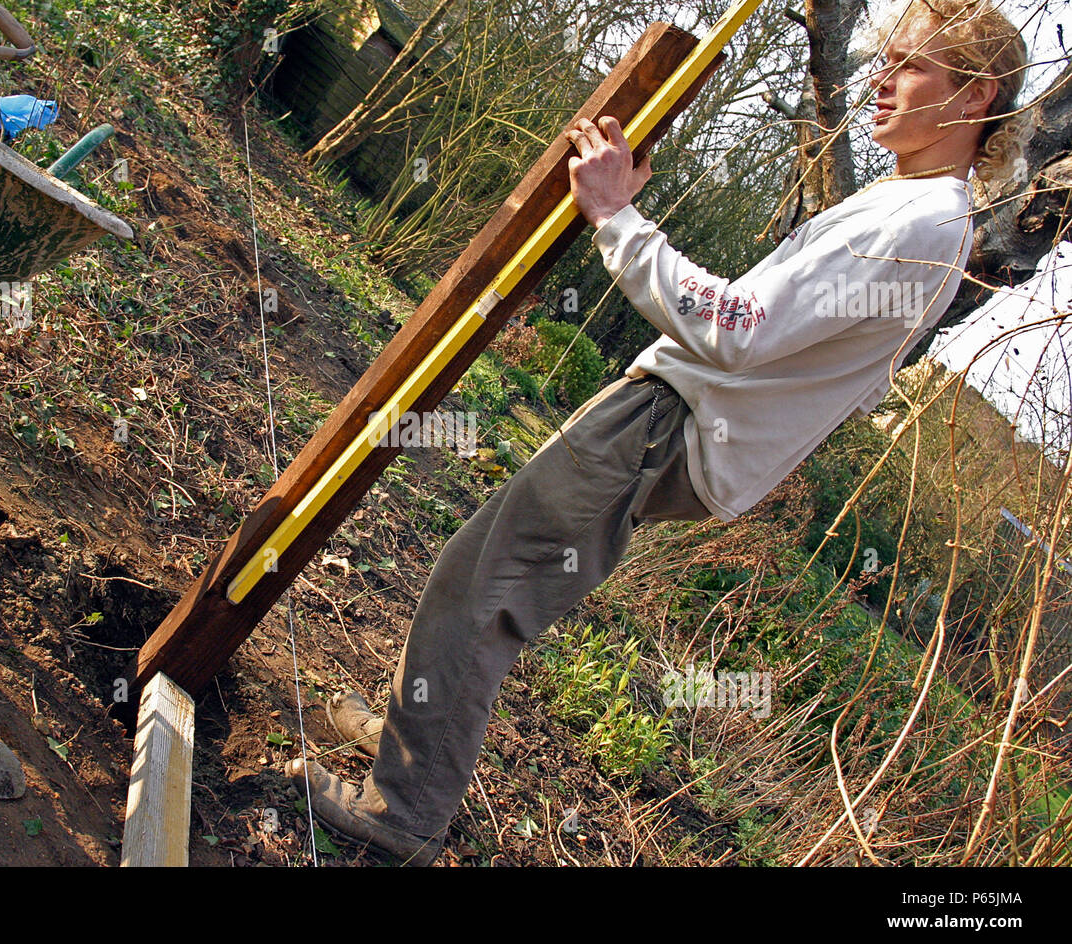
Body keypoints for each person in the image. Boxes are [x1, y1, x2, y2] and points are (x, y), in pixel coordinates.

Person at [285, 0, 1029, 865]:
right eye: (884, 59)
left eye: (910, 65)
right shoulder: (918, 211)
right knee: (487, 580)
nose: (880, 79)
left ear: (975, 96)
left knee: (481, 592)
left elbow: (742, 328)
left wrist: (618, 220)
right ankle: (416, 738)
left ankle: (404, 807)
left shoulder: (919, 223)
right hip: (677, 427)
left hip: (668, 428)